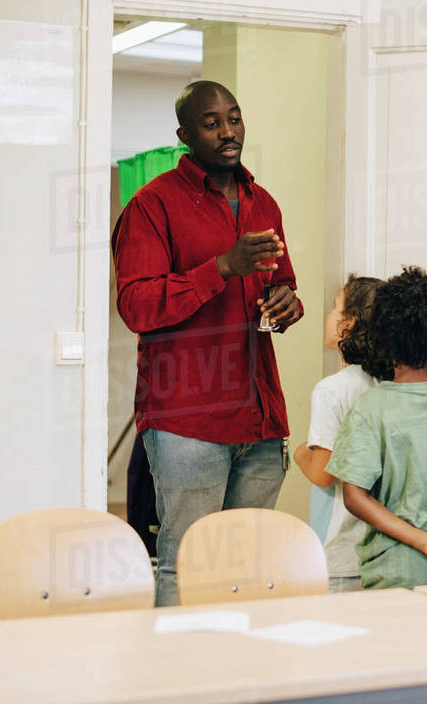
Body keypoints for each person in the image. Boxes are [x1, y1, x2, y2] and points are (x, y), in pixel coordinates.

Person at [111, 80, 303, 606]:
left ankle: (232, 660)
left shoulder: (263, 202)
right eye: (211, 123)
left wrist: (288, 301)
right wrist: (221, 267)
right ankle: (177, 662)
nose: (227, 132)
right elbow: (137, 306)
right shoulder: (152, 205)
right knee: (188, 561)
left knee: (246, 565)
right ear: (185, 136)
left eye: (234, 119)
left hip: (259, 417)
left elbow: (283, 281)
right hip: (187, 421)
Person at [325, 266, 427, 589]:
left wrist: (422, 540)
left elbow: (354, 496)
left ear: (382, 334)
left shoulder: (372, 406)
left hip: (391, 570)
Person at [293, 275, 385, 593]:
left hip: (340, 549)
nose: (328, 314)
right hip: (381, 548)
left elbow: (323, 473)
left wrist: (299, 452)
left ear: (349, 324)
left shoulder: (332, 390)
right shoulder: (393, 383)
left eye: (335, 307)